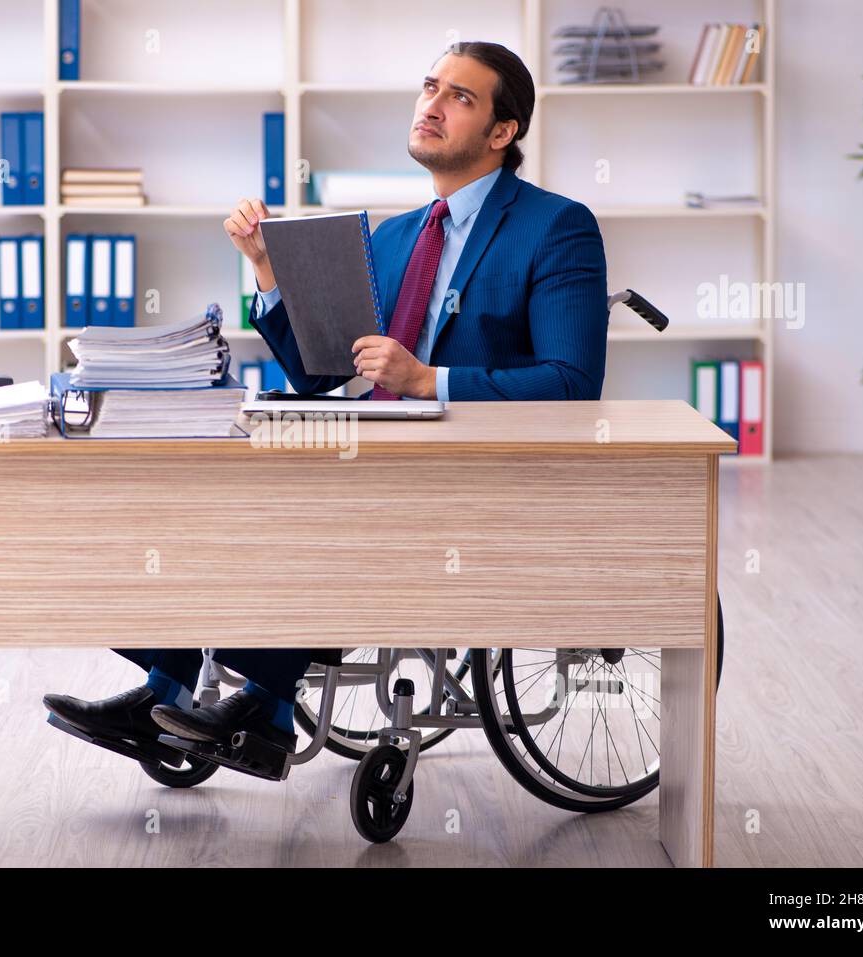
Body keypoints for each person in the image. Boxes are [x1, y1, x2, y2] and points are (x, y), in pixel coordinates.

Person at [43, 40, 608, 758]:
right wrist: (268, 273)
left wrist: (428, 379)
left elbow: (571, 383)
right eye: (429, 87)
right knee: (206, 476)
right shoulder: (396, 234)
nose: (431, 105)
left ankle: (268, 710)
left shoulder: (556, 227)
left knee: (317, 498)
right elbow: (319, 373)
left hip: (471, 474)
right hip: (369, 445)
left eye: (459, 97)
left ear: (503, 131)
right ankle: (169, 691)